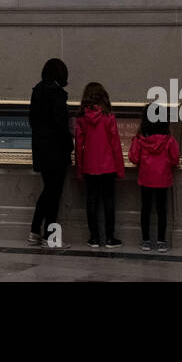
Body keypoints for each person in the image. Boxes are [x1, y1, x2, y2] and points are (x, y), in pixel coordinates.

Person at [74, 82, 126, 249]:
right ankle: (110, 237)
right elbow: (115, 144)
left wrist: (79, 169)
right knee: (109, 202)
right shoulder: (108, 117)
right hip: (108, 166)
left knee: (91, 202)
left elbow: (78, 147)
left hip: (90, 166)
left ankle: (94, 237)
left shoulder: (81, 119)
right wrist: (120, 168)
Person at [28, 58, 72, 248]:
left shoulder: (37, 92)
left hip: (41, 149)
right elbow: (61, 124)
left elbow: (32, 121)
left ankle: (35, 231)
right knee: (53, 193)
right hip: (56, 150)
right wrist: (69, 145)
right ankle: (49, 236)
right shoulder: (57, 94)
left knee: (48, 191)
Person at [128, 114, 180, 252]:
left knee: (145, 209)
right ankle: (161, 241)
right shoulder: (169, 140)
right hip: (163, 179)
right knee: (161, 210)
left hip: (145, 178)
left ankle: (145, 241)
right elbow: (175, 159)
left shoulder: (140, 139)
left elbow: (133, 158)